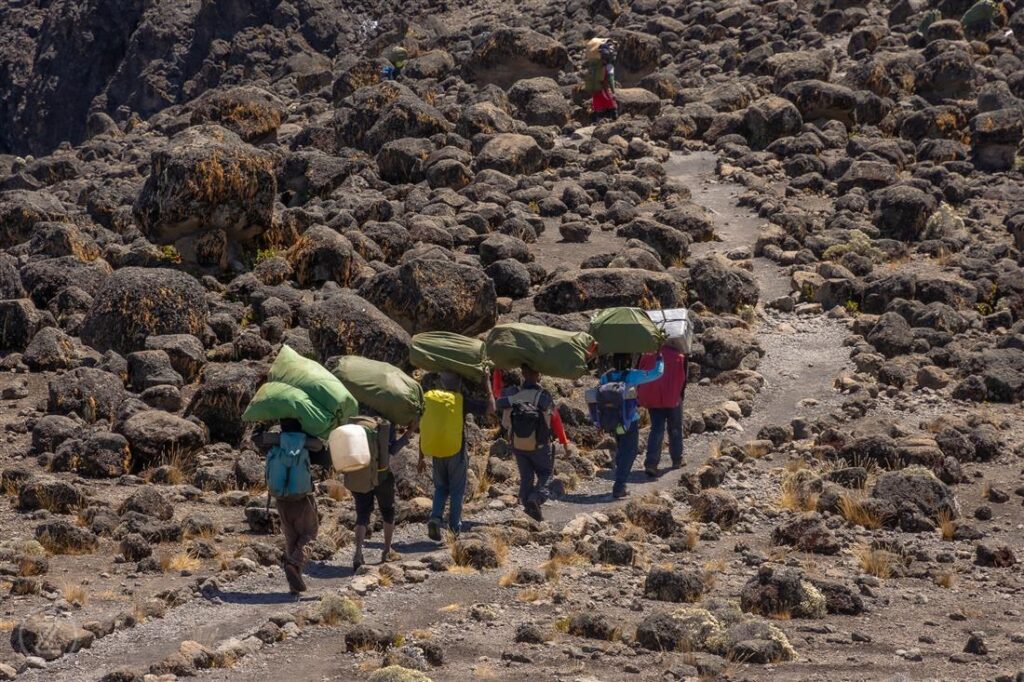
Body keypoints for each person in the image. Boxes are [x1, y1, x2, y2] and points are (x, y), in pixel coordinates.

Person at [418, 371, 495, 540]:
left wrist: (421, 457)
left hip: (436, 450)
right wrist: (488, 384)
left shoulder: (431, 399)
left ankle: (435, 517)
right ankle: (454, 529)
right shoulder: (461, 401)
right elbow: (491, 408)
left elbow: (424, 427)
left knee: (440, 488)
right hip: (456, 450)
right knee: (457, 490)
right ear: (459, 383)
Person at [256, 418, 323, 595]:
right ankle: (294, 564)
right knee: (309, 534)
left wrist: (262, 427)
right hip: (302, 499)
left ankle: (294, 585)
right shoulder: (305, 444)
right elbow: (323, 454)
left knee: (291, 539)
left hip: (280, 499)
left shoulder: (274, 443)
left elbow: (256, 440)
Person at [495, 365, 571, 522]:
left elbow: (505, 420)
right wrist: (564, 442)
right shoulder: (543, 396)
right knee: (546, 475)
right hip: (540, 446)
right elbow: (555, 420)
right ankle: (535, 499)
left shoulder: (514, 396)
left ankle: (528, 510)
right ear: (538, 375)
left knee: (526, 477)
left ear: (523, 374)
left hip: (518, 445)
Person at [343, 410, 414, 572]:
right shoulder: (386, 423)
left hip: (360, 474)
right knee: (388, 511)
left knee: (362, 514)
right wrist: (409, 432)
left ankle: (358, 553)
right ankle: (387, 551)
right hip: (382, 476)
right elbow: (393, 450)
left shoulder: (358, 421)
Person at [591, 353, 664, 499]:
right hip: (629, 422)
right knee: (629, 452)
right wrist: (659, 359)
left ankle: (620, 477)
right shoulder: (632, 375)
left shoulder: (606, 377)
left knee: (621, 448)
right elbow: (656, 374)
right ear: (628, 361)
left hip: (612, 421)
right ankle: (619, 485)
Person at [638, 345, 688, 477]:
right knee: (675, 428)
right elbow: (683, 378)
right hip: (673, 397)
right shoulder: (679, 356)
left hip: (653, 397)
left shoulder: (647, 354)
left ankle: (651, 463)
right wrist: (680, 395)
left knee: (656, 429)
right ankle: (677, 459)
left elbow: (640, 373)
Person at [584, 38, 618, 123]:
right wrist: (613, 91)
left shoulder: (593, 65)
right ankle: (614, 119)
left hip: (595, 89)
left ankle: (598, 120)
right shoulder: (608, 66)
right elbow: (610, 79)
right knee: (611, 103)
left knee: (598, 104)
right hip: (603, 88)